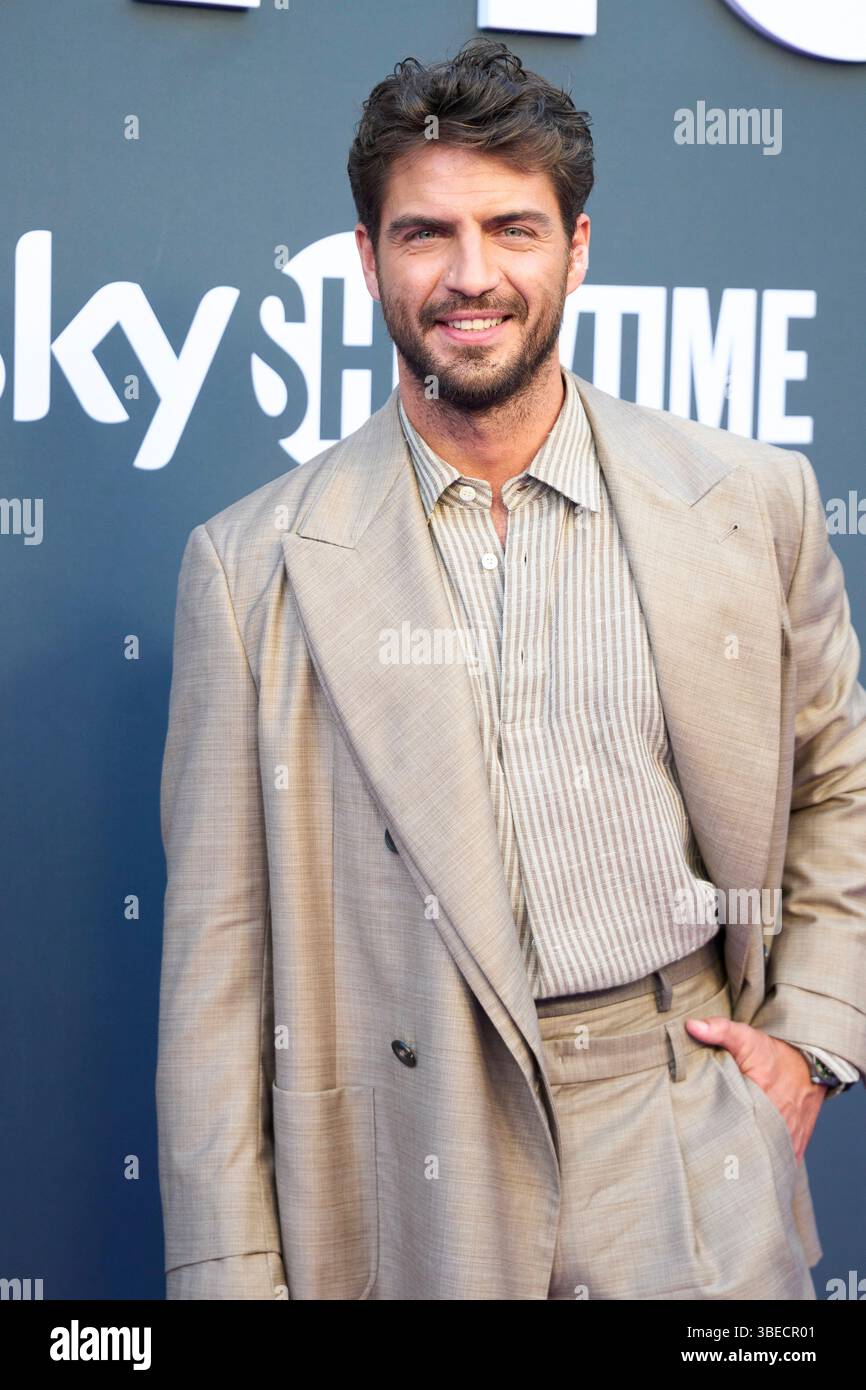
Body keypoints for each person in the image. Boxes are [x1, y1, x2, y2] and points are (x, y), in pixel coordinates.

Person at [156, 38, 865, 1300]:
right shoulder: (249, 566)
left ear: (577, 249)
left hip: (682, 1127)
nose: (470, 277)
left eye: (513, 230)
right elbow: (215, 980)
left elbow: (836, 787)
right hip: (400, 1150)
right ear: (367, 260)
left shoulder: (750, 502)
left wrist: (807, 1042)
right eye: (426, 233)